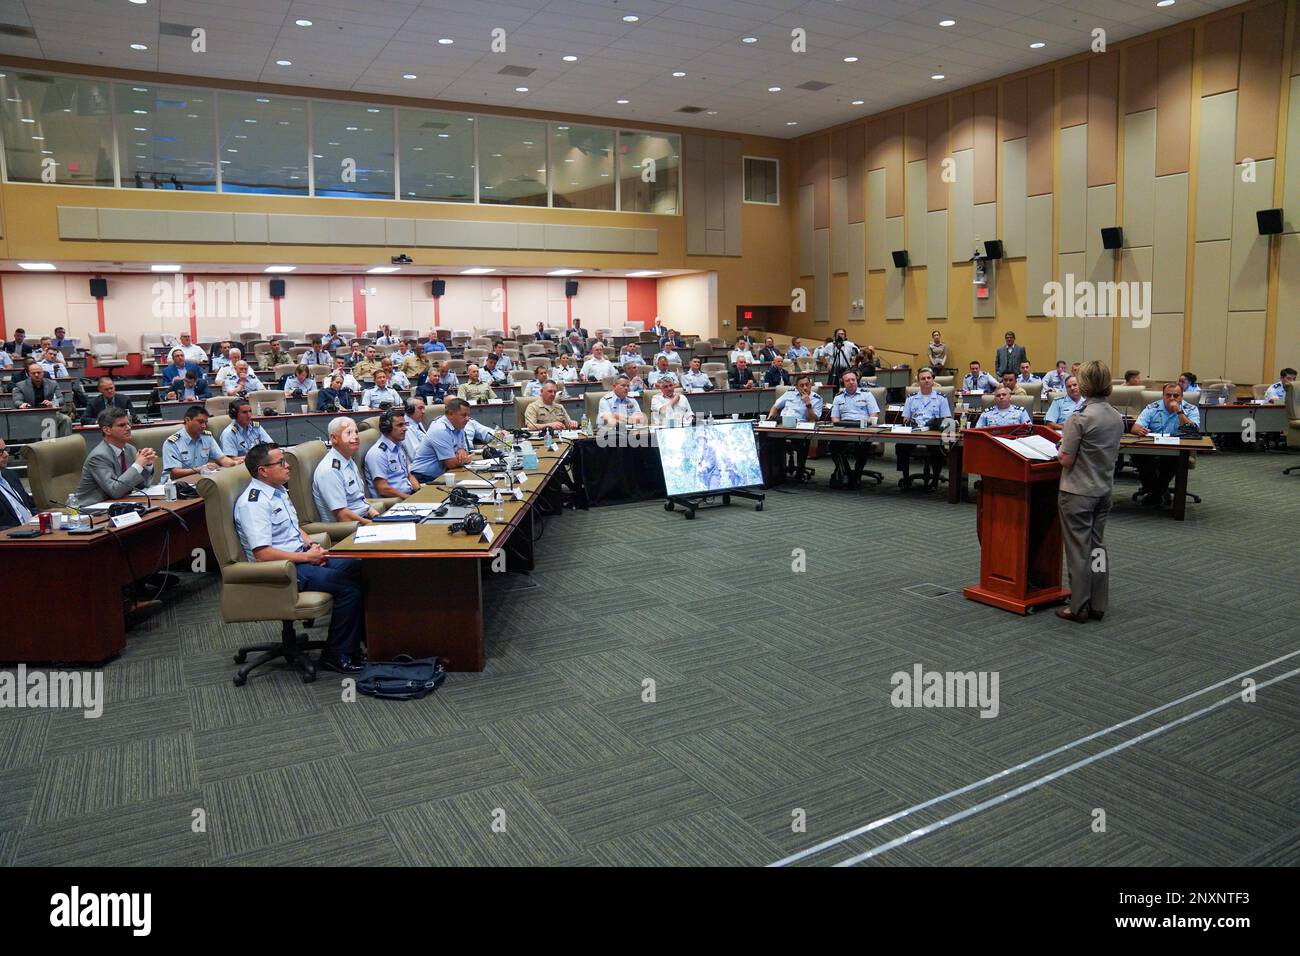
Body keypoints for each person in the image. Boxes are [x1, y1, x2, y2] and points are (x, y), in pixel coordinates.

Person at [234, 442, 366, 674]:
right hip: (283, 570)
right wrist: (307, 558)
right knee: (349, 589)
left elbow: (294, 530)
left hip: (300, 556)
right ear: (263, 471)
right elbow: (263, 554)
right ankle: (336, 655)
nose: (288, 467)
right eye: (281, 463)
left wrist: (312, 546)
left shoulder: (278, 491)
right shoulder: (254, 503)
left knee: (360, 566)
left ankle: (360, 640)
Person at [1054, 360, 1124, 623]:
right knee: (1097, 548)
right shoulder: (1117, 417)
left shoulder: (1079, 418)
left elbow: (1066, 460)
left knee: (1077, 551)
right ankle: (1098, 603)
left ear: (1084, 385)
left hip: (1077, 492)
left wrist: (1061, 449)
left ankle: (1078, 606)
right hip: (1103, 491)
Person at [1131, 383, 1200, 505]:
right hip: (1152, 448)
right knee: (1138, 456)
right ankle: (1159, 491)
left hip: (1177, 450)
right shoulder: (1153, 407)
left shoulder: (1191, 409)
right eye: (1168, 395)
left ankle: (1155, 493)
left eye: (1176, 395)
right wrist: (1139, 430)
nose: (1172, 398)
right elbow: (1135, 427)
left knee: (1171, 460)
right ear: (1163, 396)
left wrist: (1179, 412)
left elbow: (1193, 431)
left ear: (1182, 397)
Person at [74, 407, 155, 505]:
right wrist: (138, 465)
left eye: (128, 424)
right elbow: (115, 491)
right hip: (91, 509)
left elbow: (141, 486)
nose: (129, 428)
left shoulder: (130, 449)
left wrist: (147, 465)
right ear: (107, 430)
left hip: (118, 503)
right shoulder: (98, 456)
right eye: (122, 425)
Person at [410, 398, 496, 481]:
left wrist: (461, 451)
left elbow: (463, 451)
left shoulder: (459, 426)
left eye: (468, 415)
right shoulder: (440, 430)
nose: (467, 419)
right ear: (450, 414)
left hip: (444, 474)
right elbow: (451, 463)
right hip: (424, 477)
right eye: (463, 415)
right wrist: (465, 458)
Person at [897, 368, 952, 490]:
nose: (926, 381)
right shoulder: (911, 398)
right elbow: (905, 418)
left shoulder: (941, 398)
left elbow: (946, 420)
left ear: (933, 380)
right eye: (923, 378)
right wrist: (908, 422)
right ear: (918, 382)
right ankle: (905, 478)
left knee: (937, 449)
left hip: (933, 435)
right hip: (915, 434)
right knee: (900, 446)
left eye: (928, 378)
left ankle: (935, 480)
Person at [313, 418, 375, 525]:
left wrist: (377, 517)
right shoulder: (330, 470)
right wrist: (373, 524)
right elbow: (343, 516)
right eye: (349, 433)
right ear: (334, 438)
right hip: (348, 529)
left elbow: (360, 501)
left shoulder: (348, 459)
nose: (355, 436)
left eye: (356, 432)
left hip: (363, 519)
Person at [829, 371, 881, 488]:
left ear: (857, 381)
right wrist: (839, 424)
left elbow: (874, 414)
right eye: (848, 380)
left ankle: (857, 475)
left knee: (863, 446)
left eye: (853, 380)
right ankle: (846, 473)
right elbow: (834, 418)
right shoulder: (838, 397)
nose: (851, 382)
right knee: (833, 446)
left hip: (863, 427)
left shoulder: (866, 395)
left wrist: (867, 422)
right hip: (844, 428)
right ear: (843, 383)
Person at [767, 374, 823, 477]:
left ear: (811, 385)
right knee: (768, 439)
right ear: (796, 387)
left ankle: (800, 471)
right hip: (782, 423)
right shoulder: (789, 394)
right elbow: (775, 407)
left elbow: (813, 419)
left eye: (807, 384)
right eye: (802, 385)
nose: (805, 387)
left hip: (799, 427)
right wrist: (768, 420)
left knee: (803, 442)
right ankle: (775, 471)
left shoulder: (816, 399)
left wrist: (808, 404)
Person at [162, 406, 237, 479]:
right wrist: (201, 469)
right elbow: (175, 472)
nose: (204, 426)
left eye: (205, 422)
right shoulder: (173, 443)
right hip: (175, 485)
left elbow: (222, 458)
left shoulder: (207, 437)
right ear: (188, 420)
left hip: (198, 480)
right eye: (200, 422)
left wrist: (234, 463)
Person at [364, 408, 420, 500]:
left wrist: (419, 493)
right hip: (394, 502)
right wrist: (410, 499)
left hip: (407, 496)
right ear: (387, 428)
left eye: (405, 424)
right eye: (400, 425)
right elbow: (383, 489)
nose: (405, 429)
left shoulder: (398, 446)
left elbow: (408, 475)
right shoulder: (378, 453)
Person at [0, 438, 36, 529]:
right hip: (11, 539)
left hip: (33, 530)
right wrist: (19, 530)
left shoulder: (10, 475)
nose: (6, 455)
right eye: (0, 452)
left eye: (5, 450)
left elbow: (30, 505)